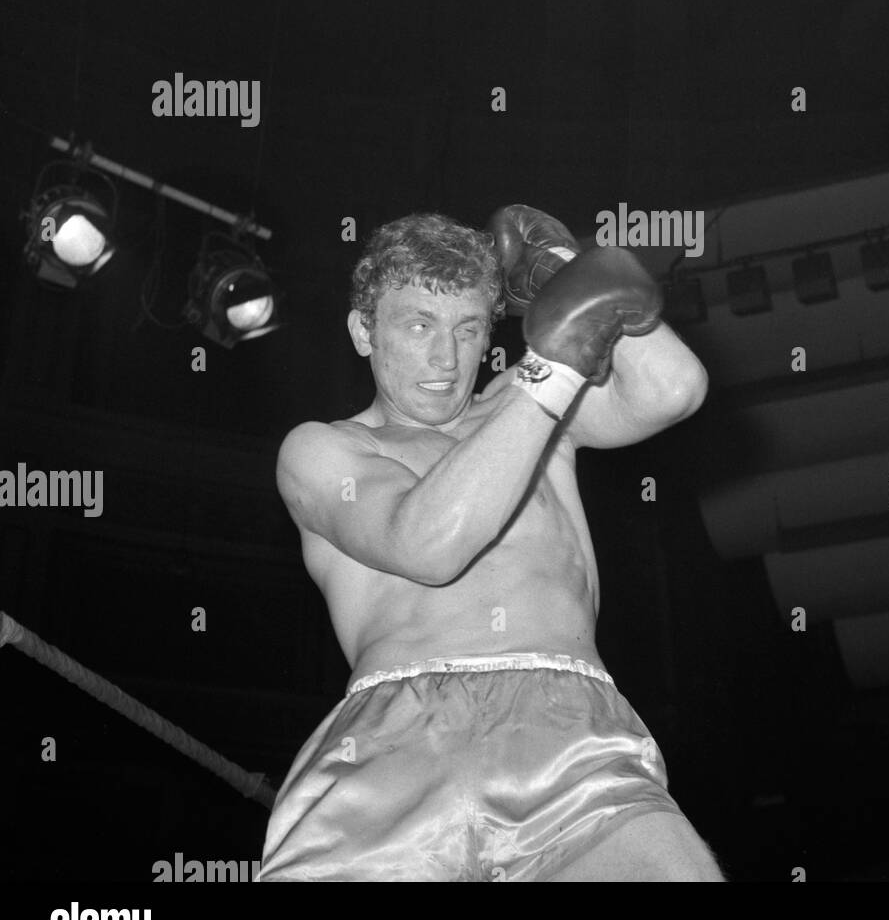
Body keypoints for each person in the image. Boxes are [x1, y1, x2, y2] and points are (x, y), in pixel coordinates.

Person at [257, 206, 723, 881]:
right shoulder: (324, 449)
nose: (446, 359)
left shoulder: (528, 411)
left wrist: (565, 272)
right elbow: (428, 545)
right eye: (418, 325)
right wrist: (552, 370)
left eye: (469, 328)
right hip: (395, 745)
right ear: (363, 331)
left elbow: (672, 388)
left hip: (568, 733)